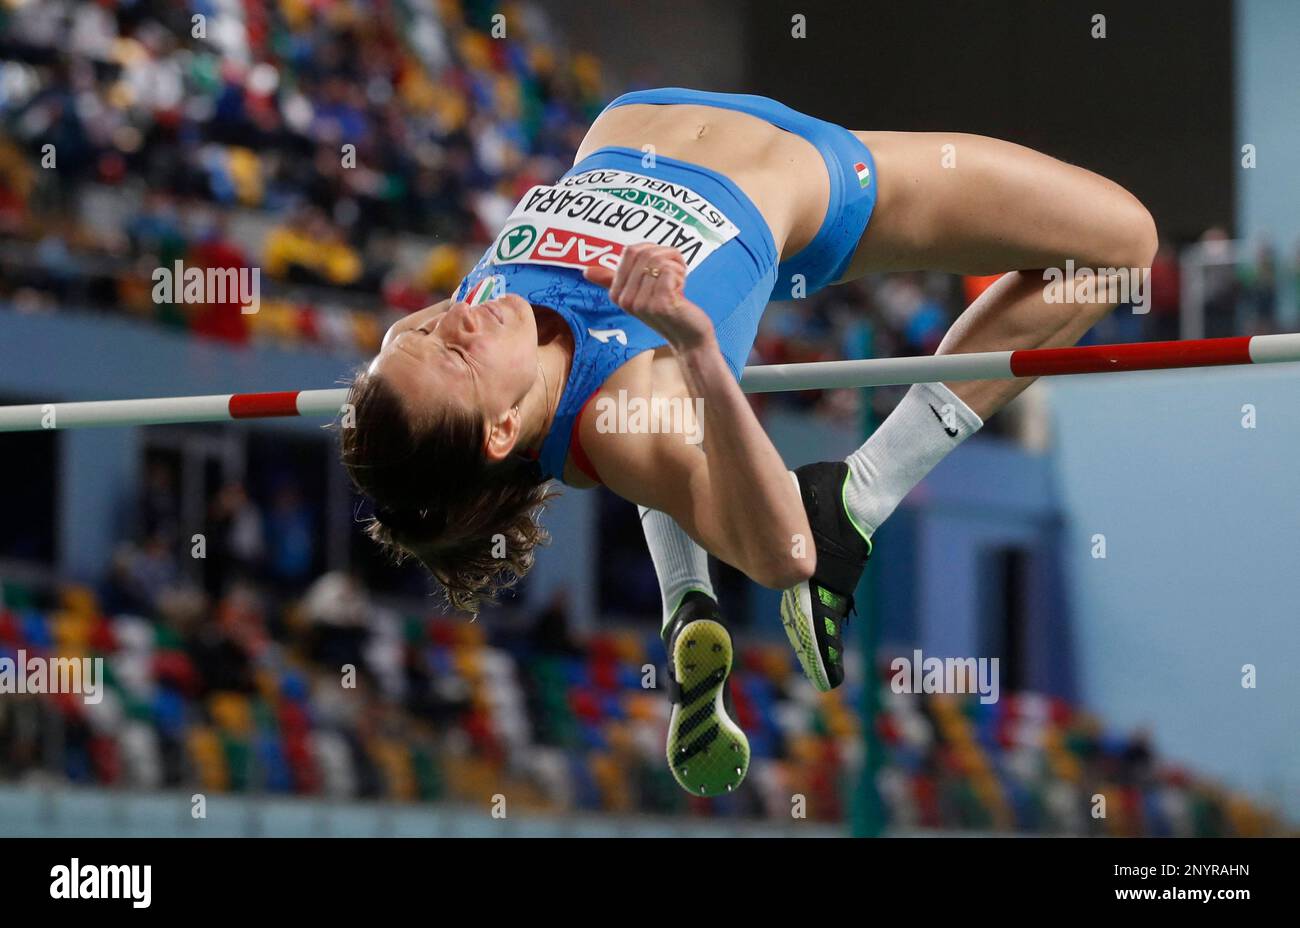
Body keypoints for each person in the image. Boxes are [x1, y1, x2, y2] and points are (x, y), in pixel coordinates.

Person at [341, 87, 1156, 796]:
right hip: (818, 179)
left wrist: (425, 370)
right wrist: (697, 345)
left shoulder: (444, 349)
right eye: (454, 354)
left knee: (635, 450)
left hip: (635, 124)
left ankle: (684, 595)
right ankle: (861, 491)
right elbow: (787, 555)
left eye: (422, 332)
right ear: (498, 428)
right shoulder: (629, 405)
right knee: (1120, 247)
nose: (452, 320)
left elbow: (439, 390)